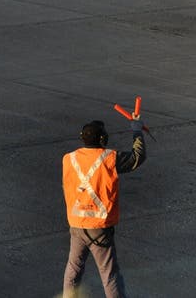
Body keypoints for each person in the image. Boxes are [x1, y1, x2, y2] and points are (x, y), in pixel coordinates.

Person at [62, 114, 146, 298]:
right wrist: (137, 130)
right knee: (109, 275)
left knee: (73, 269)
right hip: (100, 227)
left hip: (77, 223)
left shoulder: (69, 159)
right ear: (103, 139)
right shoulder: (109, 158)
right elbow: (138, 157)